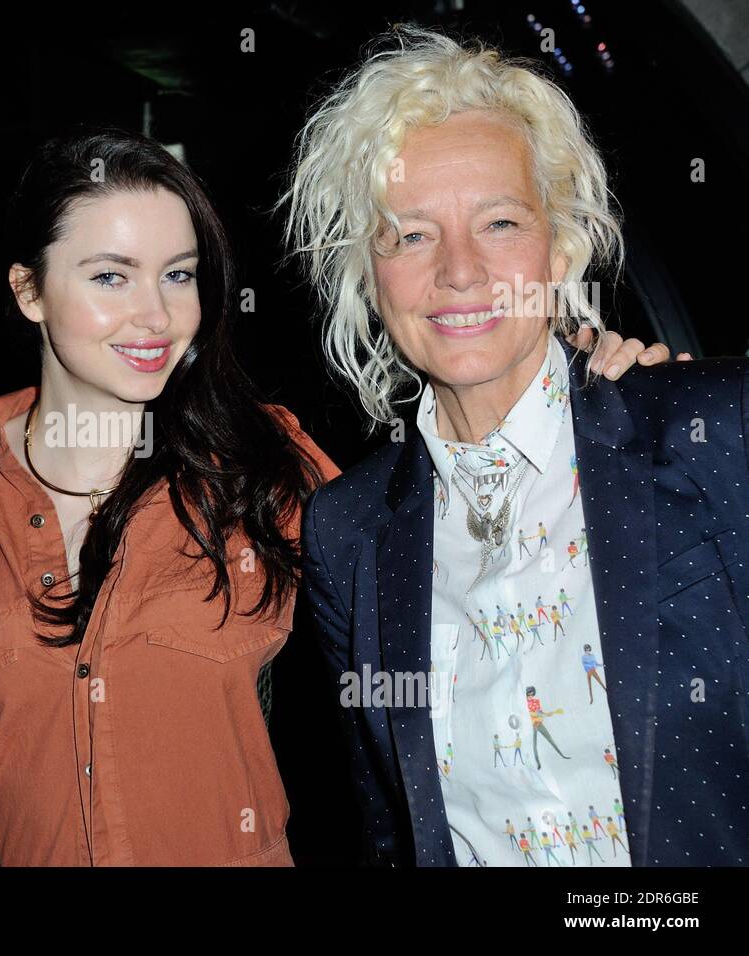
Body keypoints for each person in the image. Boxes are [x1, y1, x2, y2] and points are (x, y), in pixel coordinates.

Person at [0, 126, 651, 866]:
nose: (156, 316)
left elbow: (458, 547)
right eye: (110, 277)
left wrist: (586, 395)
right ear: (29, 290)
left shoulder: (263, 466)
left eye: (178, 275)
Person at [288, 26, 747, 866]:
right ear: (367, 270)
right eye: (412, 233)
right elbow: (389, 830)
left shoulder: (714, 430)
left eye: (499, 222)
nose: (459, 271)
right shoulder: (345, 529)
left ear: (559, 247)